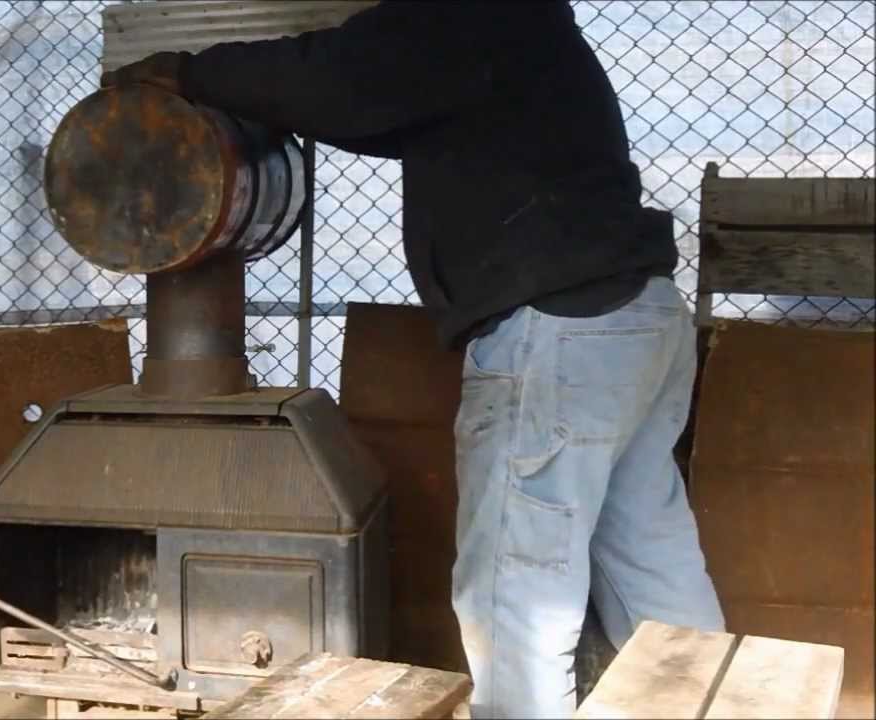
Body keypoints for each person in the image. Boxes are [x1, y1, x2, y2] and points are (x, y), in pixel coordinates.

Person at [101, 1, 725, 717]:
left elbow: (344, 80)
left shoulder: (462, 18)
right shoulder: (514, 34)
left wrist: (188, 72)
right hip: (635, 317)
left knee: (515, 594)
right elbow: (381, 104)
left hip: (560, 332)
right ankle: (717, 703)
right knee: (649, 561)